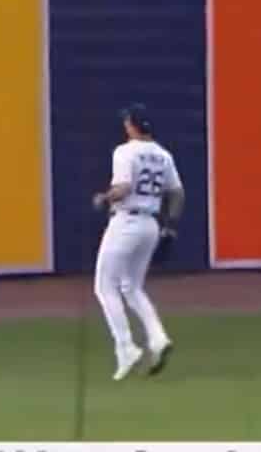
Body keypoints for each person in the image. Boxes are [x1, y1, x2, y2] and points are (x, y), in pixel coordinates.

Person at [92, 103, 182, 381]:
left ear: (132, 125)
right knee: (132, 287)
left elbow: (124, 188)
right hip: (150, 225)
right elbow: (177, 193)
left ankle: (126, 348)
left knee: (104, 286)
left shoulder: (125, 151)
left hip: (126, 222)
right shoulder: (163, 155)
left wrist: (104, 198)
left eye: (127, 122)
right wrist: (170, 228)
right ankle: (158, 339)